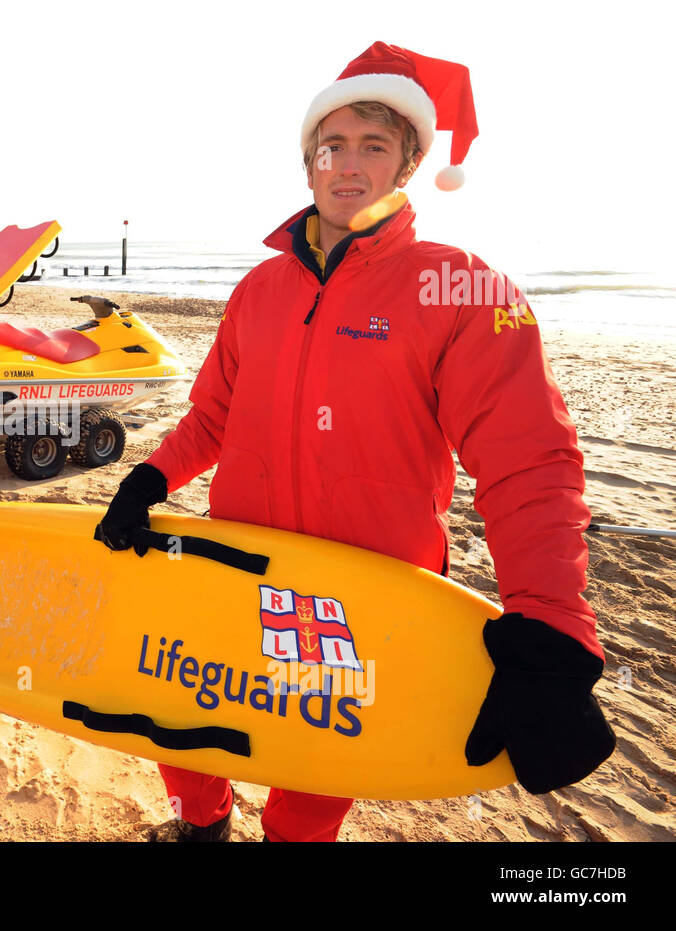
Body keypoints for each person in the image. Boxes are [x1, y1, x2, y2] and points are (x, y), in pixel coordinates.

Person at [98, 42, 615, 842]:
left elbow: (528, 457)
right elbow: (213, 416)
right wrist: (149, 480)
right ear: (308, 166)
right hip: (242, 563)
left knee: (314, 771)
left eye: (374, 146)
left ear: (408, 164)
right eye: (330, 147)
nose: (348, 165)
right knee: (186, 711)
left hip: (365, 596)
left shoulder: (463, 289)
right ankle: (203, 822)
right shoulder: (259, 289)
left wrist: (550, 621)